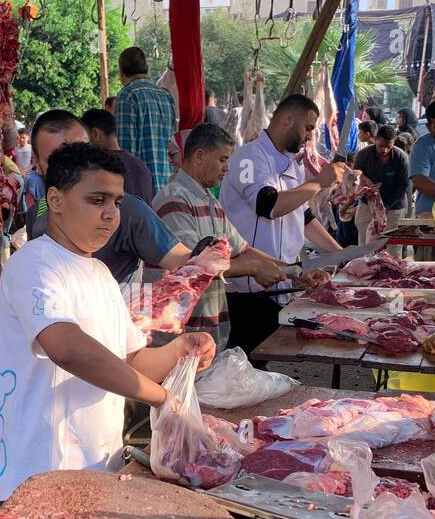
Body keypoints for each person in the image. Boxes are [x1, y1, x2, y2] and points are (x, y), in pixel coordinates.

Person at [0, 141, 216, 504]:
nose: (111, 214)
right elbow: (68, 349)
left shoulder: (101, 274)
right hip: (39, 473)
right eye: (97, 200)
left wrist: (179, 350)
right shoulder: (34, 263)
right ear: (56, 200)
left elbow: (133, 360)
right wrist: (162, 399)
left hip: (95, 467)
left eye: (117, 202)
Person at [220, 93, 340, 356]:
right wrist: (319, 182)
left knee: (265, 364)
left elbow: (305, 219)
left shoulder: (291, 165)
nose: (310, 136)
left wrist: (341, 255)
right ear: (288, 119)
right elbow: (268, 205)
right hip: (248, 290)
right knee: (245, 364)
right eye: (308, 128)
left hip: (281, 283)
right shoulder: (248, 158)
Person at [152, 123, 290, 350]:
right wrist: (253, 268)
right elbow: (192, 266)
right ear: (199, 156)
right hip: (177, 336)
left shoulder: (211, 202)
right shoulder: (174, 200)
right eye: (222, 160)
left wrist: (292, 271)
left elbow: (242, 249)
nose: (227, 168)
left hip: (206, 332)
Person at [26, 110, 190, 286]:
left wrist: (212, 254)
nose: (73, 166)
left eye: (83, 154)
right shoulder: (38, 212)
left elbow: (183, 260)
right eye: (56, 160)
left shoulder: (127, 210)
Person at [114, 46, 177, 193]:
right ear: (146, 69)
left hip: (141, 188)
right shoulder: (166, 96)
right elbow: (172, 144)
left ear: (122, 72)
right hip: (167, 184)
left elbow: (126, 151)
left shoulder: (127, 96)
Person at [351, 123, 410, 247]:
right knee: (364, 245)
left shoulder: (401, 158)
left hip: (394, 206)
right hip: (367, 204)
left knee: (393, 248)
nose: (384, 150)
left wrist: (385, 206)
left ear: (393, 142)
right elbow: (355, 180)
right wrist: (368, 198)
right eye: (381, 146)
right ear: (375, 139)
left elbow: (403, 185)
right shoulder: (363, 155)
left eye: (388, 146)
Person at [80, 107, 155, 204]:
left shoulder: (100, 166)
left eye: (84, 137)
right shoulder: (141, 165)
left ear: (95, 134)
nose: (83, 144)